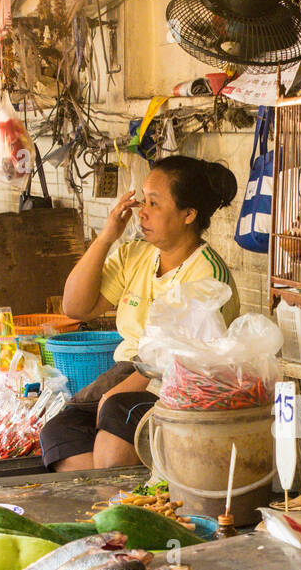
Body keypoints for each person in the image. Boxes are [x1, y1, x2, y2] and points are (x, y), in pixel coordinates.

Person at [40, 156, 240, 472]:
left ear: (188, 214)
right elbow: (75, 307)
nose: (141, 212)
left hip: (176, 385)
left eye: (154, 204)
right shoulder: (137, 255)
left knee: (116, 411)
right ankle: (106, 495)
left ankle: (122, 497)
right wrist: (108, 235)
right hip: (127, 369)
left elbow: (186, 362)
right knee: (60, 430)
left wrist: (116, 394)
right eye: (142, 200)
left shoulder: (208, 275)